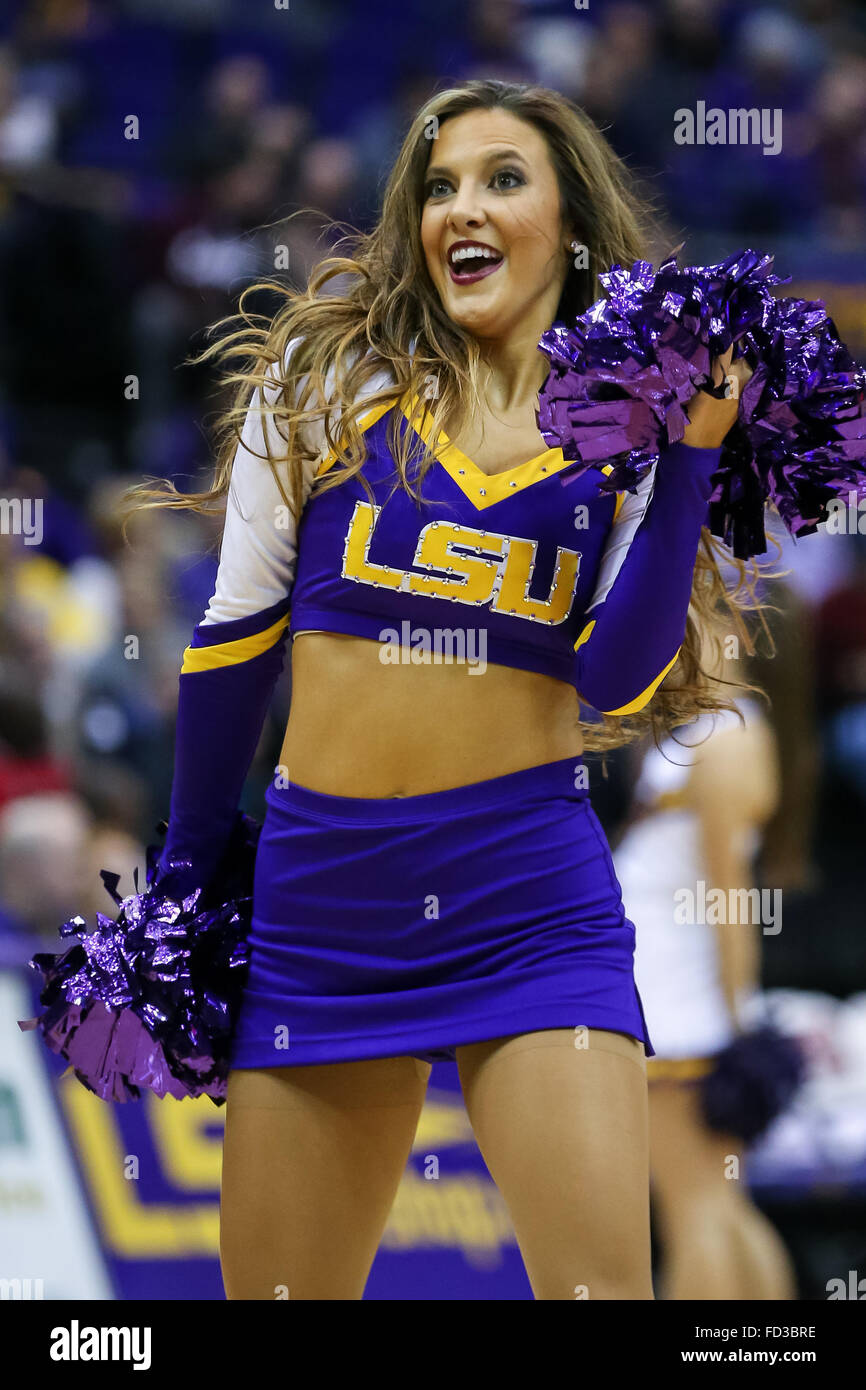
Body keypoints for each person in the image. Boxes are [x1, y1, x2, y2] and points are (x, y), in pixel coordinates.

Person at [126, 78, 758, 1301]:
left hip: (527, 900)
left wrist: (688, 459)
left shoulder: (623, 426)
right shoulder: (329, 377)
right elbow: (233, 639)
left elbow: (614, 673)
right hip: (321, 907)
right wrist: (188, 884)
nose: (460, 207)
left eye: (501, 179)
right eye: (437, 185)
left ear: (569, 223)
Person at [613, 619, 798, 1300]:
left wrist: (738, 1016)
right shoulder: (706, 729)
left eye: (699, 625)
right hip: (674, 988)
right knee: (718, 1202)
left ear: (738, 635)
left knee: (691, 1207)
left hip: (679, 1000)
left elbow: (729, 891)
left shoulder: (727, 738)